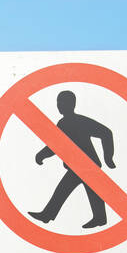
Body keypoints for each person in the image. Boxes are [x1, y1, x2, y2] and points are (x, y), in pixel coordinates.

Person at [29, 89, 115, 229]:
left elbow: (106, 133)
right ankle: (99, 218)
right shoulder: (63, 123)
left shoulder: (75, 122)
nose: (59, 105)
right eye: (58, 102)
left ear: (71, 104)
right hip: (79, 166)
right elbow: (56, 145)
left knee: (65, 190)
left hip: (86, 166)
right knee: (87, 192)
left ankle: (48, 215)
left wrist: (108, 158)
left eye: (62, 102)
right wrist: (42, 155)